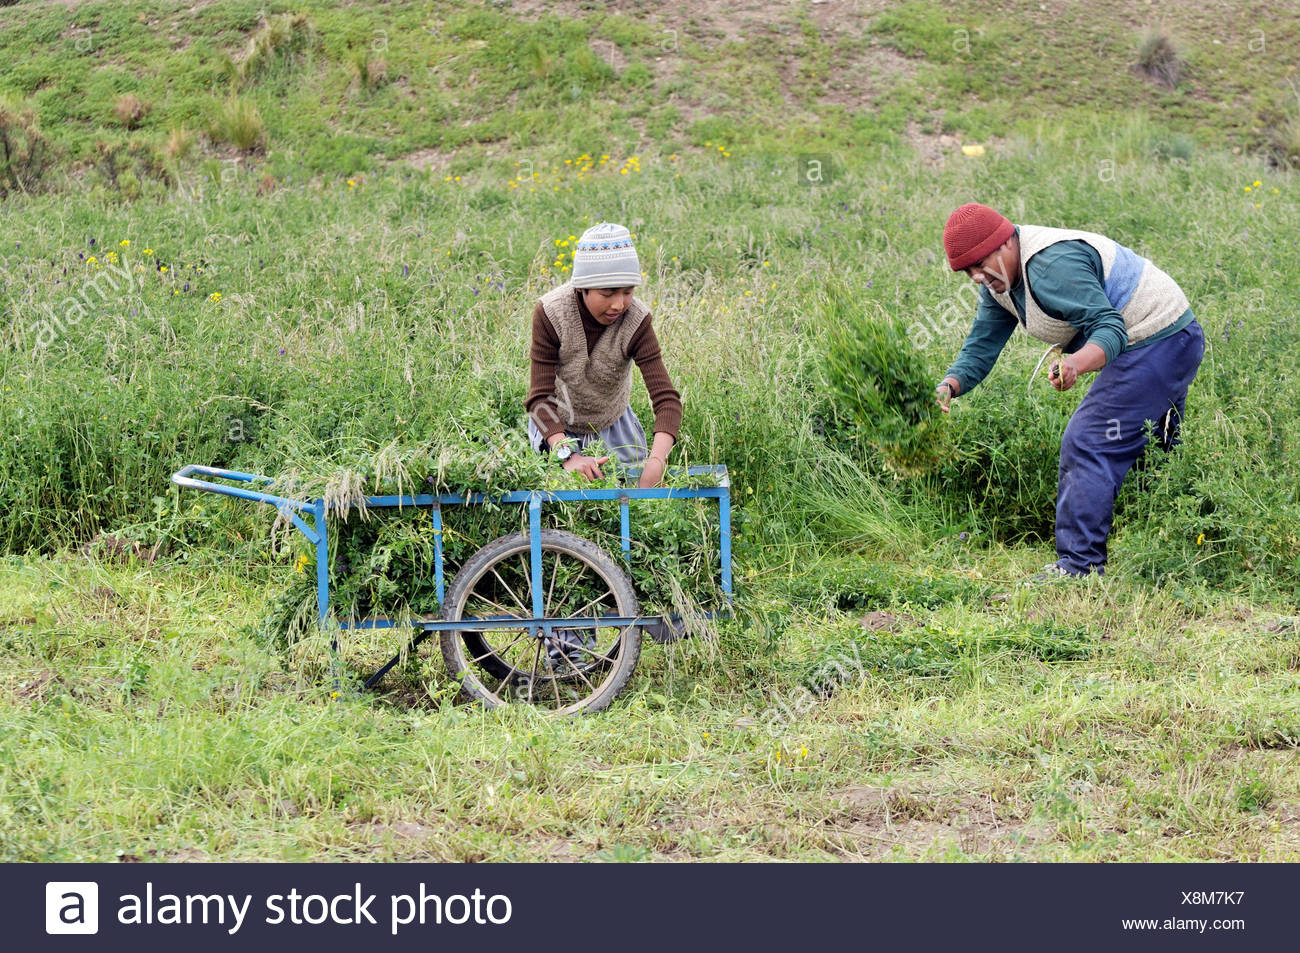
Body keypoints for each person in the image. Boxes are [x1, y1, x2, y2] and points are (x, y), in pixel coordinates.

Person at [934, 202, 1204, 579]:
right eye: (969, 272)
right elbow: (982, 345)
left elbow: (1110, 328)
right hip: (1166, 339)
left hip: (1160, 338)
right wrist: (949, 385)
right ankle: (1180, 545)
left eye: (982, 265)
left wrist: (1076, 363)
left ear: (1006, 243)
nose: (978, 277)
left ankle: (1079, 566)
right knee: (1153, 452)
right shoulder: (1000, 283)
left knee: (1089, 439)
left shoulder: (1049, 266)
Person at [525, 221, 682, 490]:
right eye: (607, 294)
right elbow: (539, 398)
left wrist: (656, 462)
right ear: (582, 288)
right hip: (556, 427)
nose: (618, 304)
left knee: (631, 502)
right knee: (560, 505)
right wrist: (568, 455)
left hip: (613, 425)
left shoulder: (636, 321)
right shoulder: (551, 313)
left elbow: (666, 399)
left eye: (627, 292)